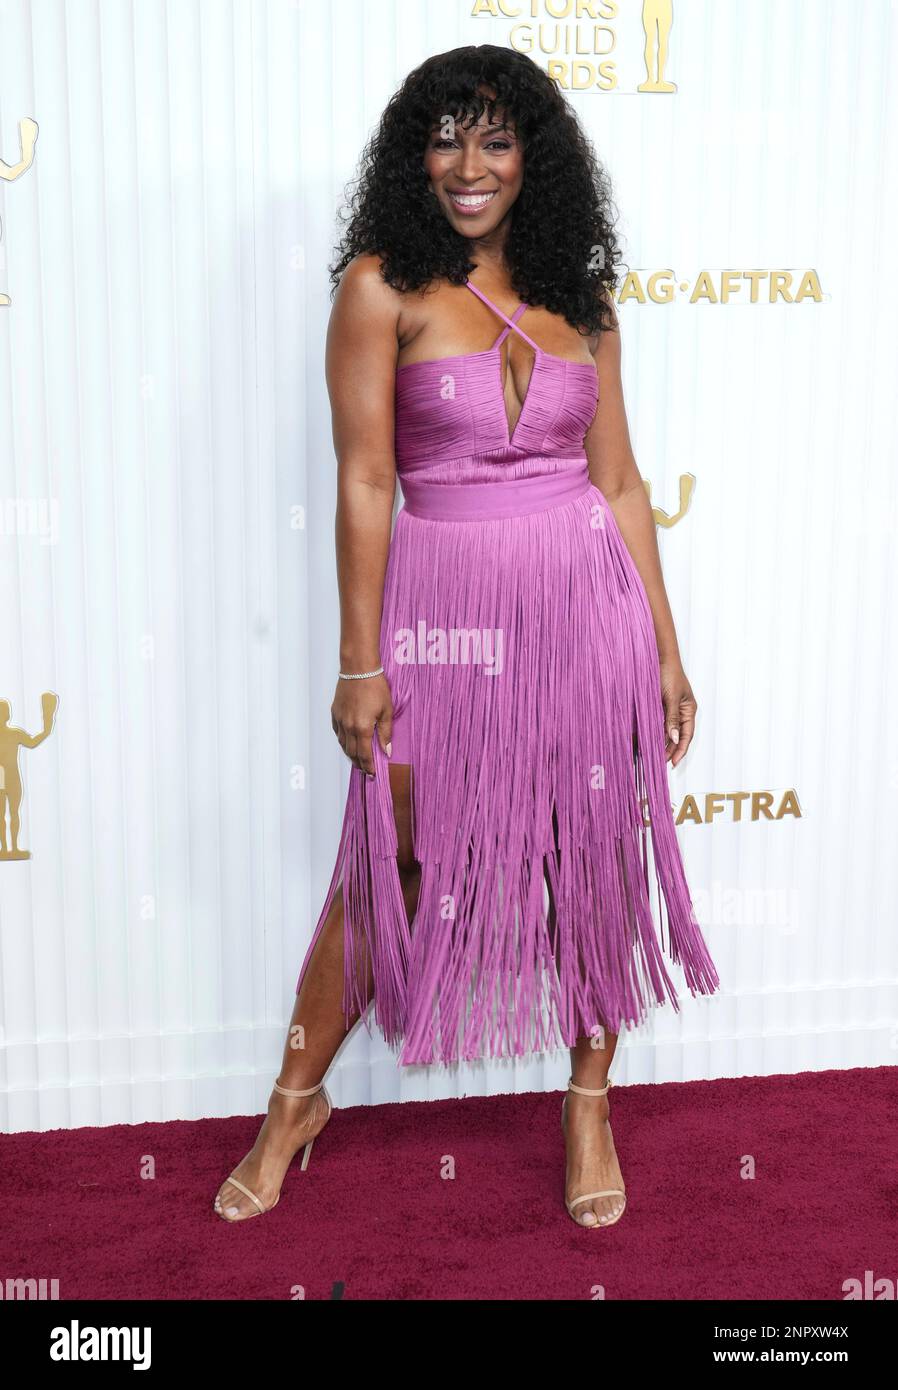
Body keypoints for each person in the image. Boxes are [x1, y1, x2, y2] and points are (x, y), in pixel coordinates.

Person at [215, 43, 719, 1230]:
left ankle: (586, 1100)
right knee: (389, 856)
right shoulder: (380, 288)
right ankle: (295, 1100)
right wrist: (358, 662)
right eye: (447, 136)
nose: (470, 163)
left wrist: (663, 643)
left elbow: (624, 482)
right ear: (414, 153)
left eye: (495, 138)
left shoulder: (580, 299)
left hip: (579, 607)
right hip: (437, 620)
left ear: (533, 156)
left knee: (592, 848)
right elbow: (365, 478)